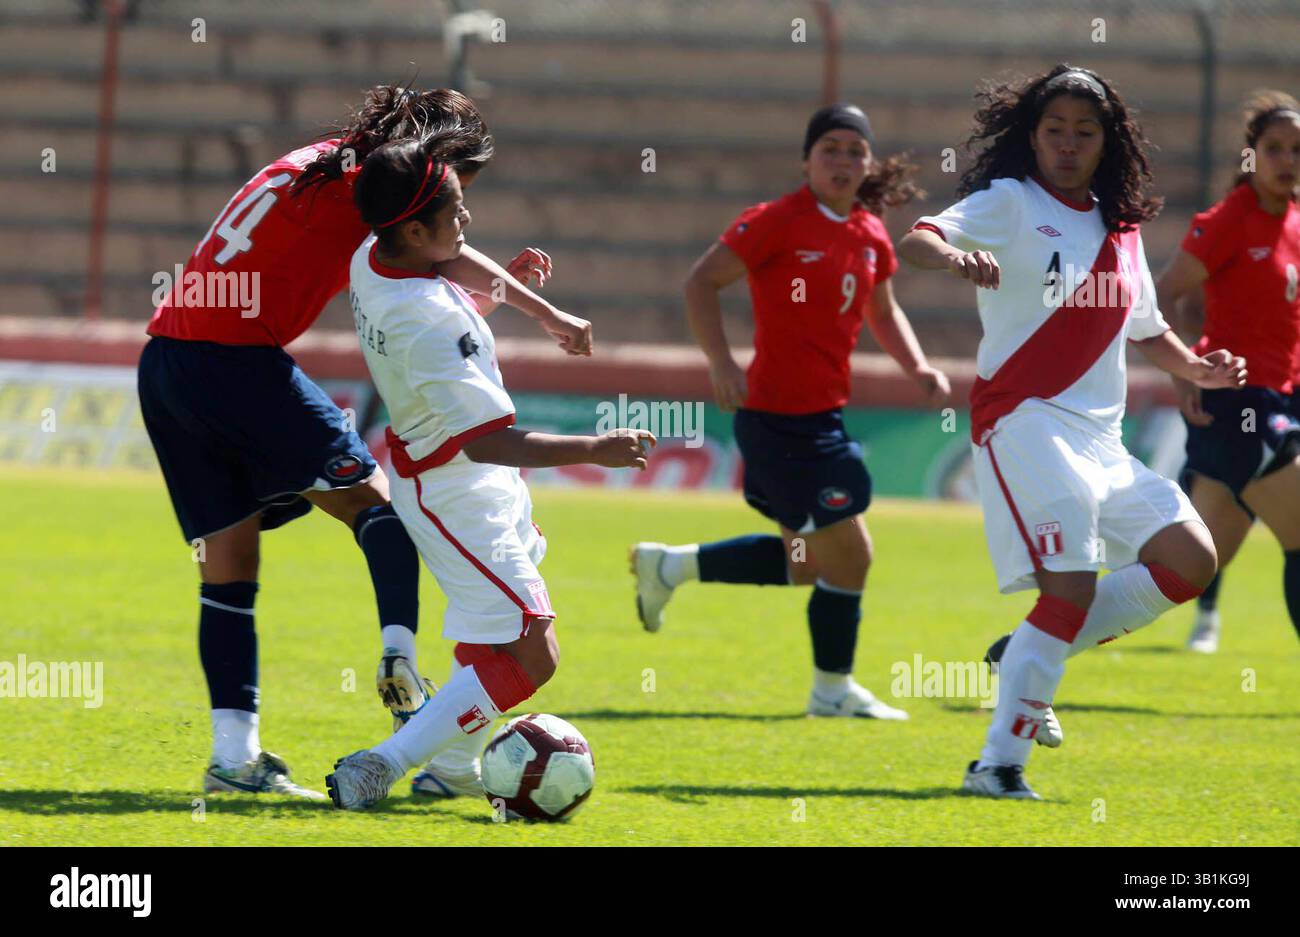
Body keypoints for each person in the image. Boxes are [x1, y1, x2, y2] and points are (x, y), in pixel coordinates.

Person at [138, 86, 589, 798]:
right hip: (234, 362)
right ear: (429, 164)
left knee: (229, 566)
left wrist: (532, 306)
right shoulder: (374, 190)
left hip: (166, 360)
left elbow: (437, 259)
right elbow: (438, 256)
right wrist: (543, 311)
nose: (461, 208)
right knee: (381, 510)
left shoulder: (329, 165)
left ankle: (234, 758)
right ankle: (400, 664)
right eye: (458, 186)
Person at [899, 65, 1246, 799]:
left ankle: (1022, 649)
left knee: (1190, 558)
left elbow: (1146, 326)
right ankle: (997, 764)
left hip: (1101, 437)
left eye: (1083, 131)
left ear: (1106, 142)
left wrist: (1197, 369)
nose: (1067, 142)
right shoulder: (1011, 201)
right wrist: (957, 256)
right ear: (1033, 136)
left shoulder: (1120, 226)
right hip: (1024, 417)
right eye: (1054, 129)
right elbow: (919, 240)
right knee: (1071, 586)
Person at [326, 140, 654, 809]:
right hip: (458, 489)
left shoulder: (374, 256)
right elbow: (493, 441)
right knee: (535, 651)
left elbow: (446, 273)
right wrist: (598, 447)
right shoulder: (433, 324)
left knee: (489, 630)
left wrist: (532, 304)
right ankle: (378, 765)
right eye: (457, 213)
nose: (467, 223)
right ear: (415, 230)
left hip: (450, 472)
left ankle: (449, 768)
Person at [629, 103, 950, 720]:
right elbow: (701, 282)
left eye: (855, 150)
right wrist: (722, 363)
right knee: (851, 557)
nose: (843, 159)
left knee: (808, 566)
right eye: (830, 147)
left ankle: (668, 566)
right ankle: (831, 694)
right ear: (806, 159)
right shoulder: (775, 221)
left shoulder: (870, 233)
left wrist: (918, 368)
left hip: (822, 417)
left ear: (869, 163)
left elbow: (883, 312)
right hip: (778, 422)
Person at [1156, 90, 1300, 652]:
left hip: (1283, 399)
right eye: (1274, 148)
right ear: (1251, 156)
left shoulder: (1294, 221)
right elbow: (1165, 298)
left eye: (1297, 149)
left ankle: (1039, 641)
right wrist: (1185, 370)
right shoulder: (1226, 221)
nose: (1288, 160)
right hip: (1241, 405)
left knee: (1186, 570)